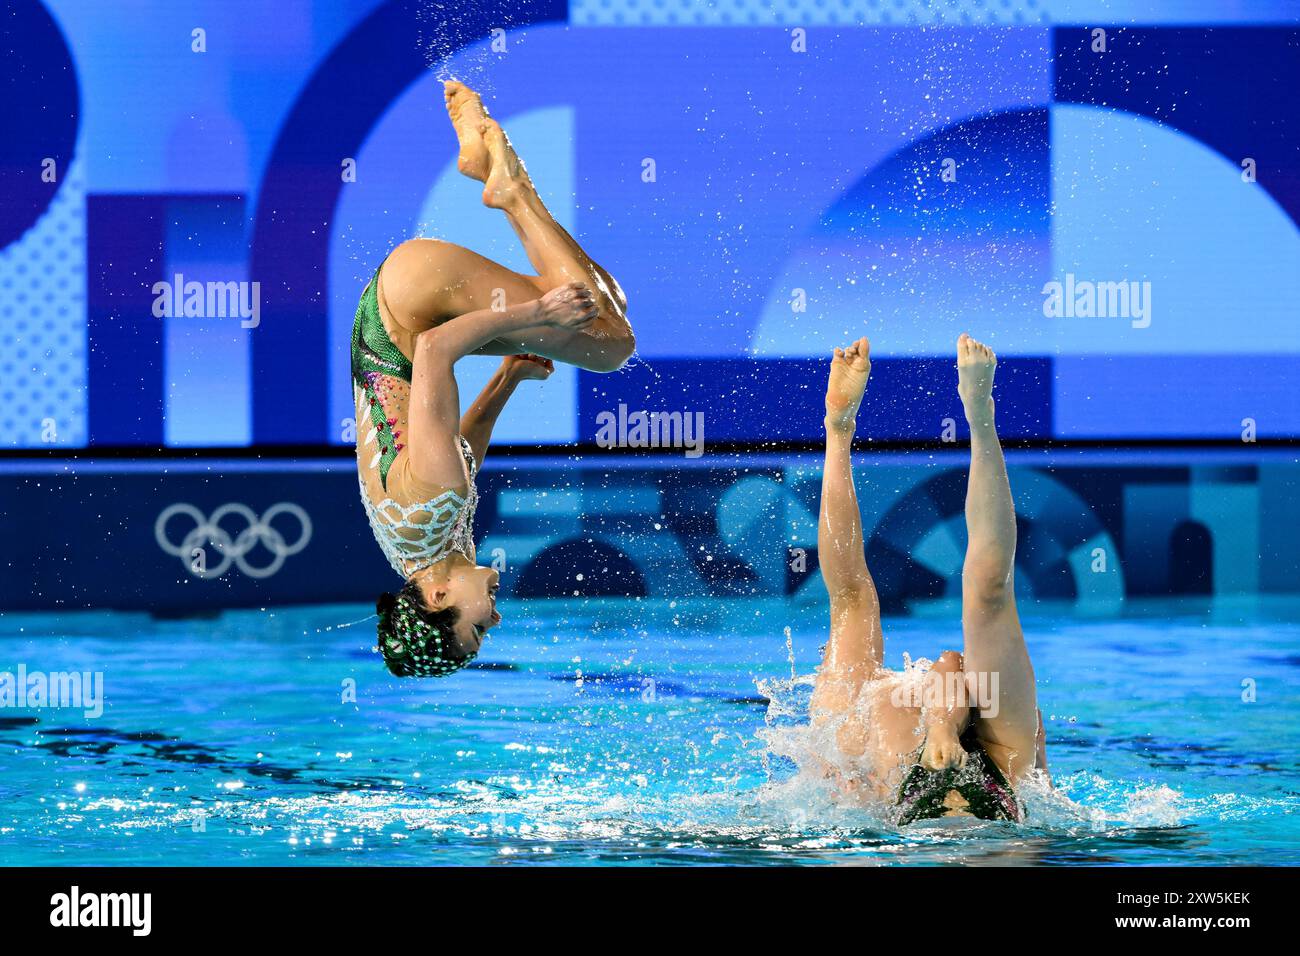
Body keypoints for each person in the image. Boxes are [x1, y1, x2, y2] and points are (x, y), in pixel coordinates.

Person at [354, 82, 635, 677]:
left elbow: (433, 353)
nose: (496, 620)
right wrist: (507, 377)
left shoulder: (432, 505)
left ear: (437, 600)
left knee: (609, 341)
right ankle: (503, 178)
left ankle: (507, 190)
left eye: (477, 626)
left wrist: (536, 317)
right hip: (395, 314)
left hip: (409, 306)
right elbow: (457, 452)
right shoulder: (428, 553)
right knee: (604, 304)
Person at [809, 334, 1048, 822]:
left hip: (898, 756)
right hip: (996, 752)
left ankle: (837, 431)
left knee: (852, 606)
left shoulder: (866, 761)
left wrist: (938, 730)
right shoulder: (1011, 763)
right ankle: (980, 415)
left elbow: (946, 665)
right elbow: (951, 663)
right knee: (989, 594)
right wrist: (940, 729)